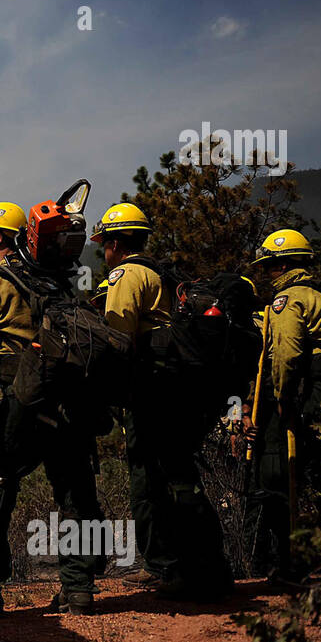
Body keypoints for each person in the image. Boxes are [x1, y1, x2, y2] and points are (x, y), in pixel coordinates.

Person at [0, 197, 106, 617]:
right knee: (73, 489)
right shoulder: (57, 281)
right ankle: (79, 587)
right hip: (69, 399)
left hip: (18, 399)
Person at [92, 203, 233, 600]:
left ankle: (164, 566)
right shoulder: (163, 275)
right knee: (181, 475)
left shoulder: (126, 275)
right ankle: (208, 566)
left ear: (116, 243)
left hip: (150, 390)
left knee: (147, 477)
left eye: (104, 244)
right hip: (179, 388)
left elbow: (116, 337)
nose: (103, 251)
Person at [246, 229, 321, 582]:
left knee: (279, 473)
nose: (267, 274)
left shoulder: (287, 300)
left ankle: (291, 563)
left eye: (270, 267)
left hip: (308, 389)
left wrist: (284, 400)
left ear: (283, 265)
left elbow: (286, 355)